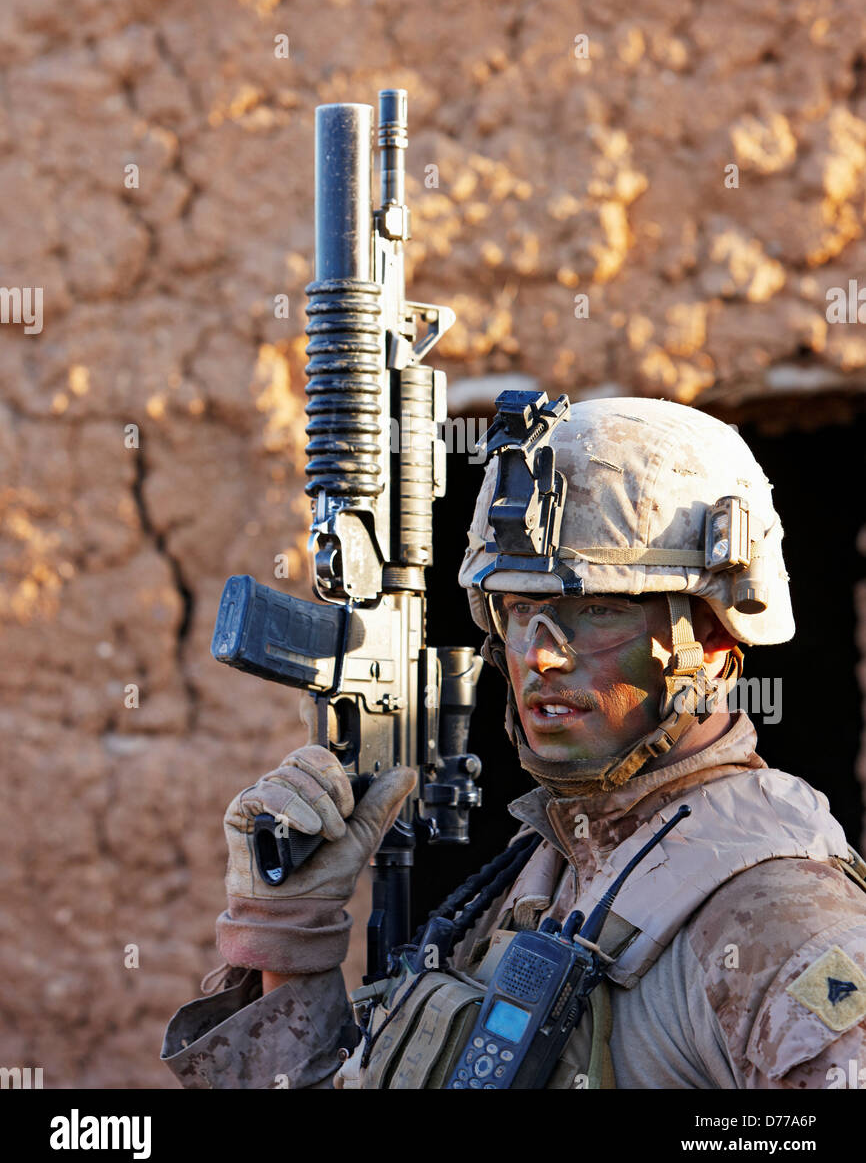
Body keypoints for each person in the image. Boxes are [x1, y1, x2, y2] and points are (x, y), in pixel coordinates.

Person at [162, 396, 866, 1089]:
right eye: (523, 610)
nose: (543, 656)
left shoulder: (781, 921)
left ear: (712, 641)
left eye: (597, 610)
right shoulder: (542, 873)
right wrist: (289, 936)